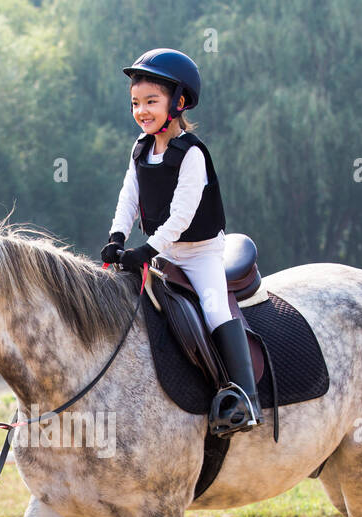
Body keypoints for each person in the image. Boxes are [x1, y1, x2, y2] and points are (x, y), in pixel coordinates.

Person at [101, 48, 260, 434]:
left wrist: (145, 249)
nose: (142, 111)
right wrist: (117, 236)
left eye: (151, 102)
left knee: (213, 306)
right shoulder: (140, 148)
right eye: (136, 103)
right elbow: (129, 197)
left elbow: (182, 217)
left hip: (200, 253)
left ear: (179, 102)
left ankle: (244, 398)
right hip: (162, 252)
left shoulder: (192, 153)